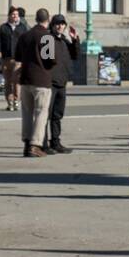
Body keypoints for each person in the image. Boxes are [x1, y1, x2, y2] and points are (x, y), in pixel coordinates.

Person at [14, 7, 56, 158]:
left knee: (26, 113)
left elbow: (17, 57)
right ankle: (35, 145)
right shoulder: (46, 36)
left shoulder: (25, 36)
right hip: (41, 80)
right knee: (40, 113)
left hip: (25, 80)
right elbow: (49, 60)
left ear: (36, 19)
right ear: (48, 19)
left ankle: (26, 143)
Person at [43, 15, 81, 153]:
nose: (60, 26)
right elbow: (46, 61)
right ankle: (43, 144)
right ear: (52, 25)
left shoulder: (64, 40)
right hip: (50, 82)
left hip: (62, 82)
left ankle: (55, 142)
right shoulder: (48, 39)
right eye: (57, 24)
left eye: (62, 24)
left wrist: (75, 39)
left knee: (57, 115)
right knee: (46, 115)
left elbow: (76, 55)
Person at [1, 5, 28, 111]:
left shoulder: (22, 27)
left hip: (18, 59)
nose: (15, 16)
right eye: (13, 14)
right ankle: (10, 102)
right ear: (9, 16)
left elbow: (26, 42)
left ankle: (16, 100)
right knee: (8, 82)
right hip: (6, 58)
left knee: (17, 81)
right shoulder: (3, 27)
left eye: (17, 15)